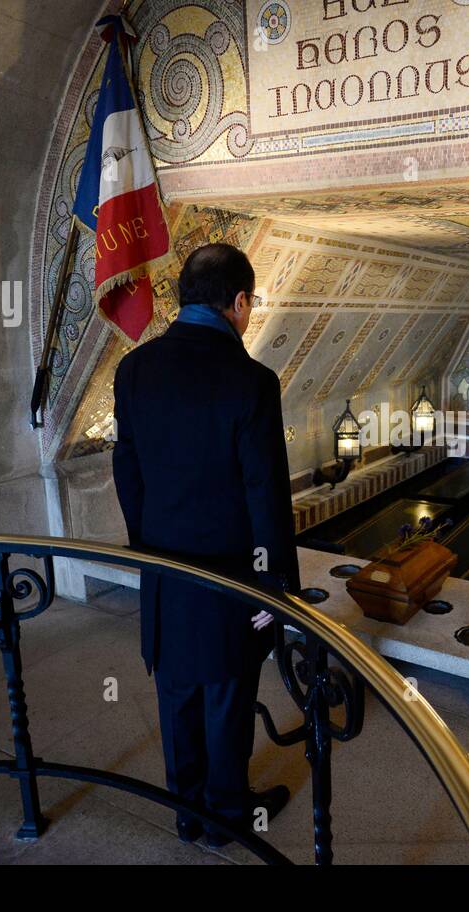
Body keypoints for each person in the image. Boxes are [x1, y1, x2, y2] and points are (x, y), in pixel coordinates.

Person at [111, 242, 299, 847]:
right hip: (230, 579)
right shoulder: (252, 382)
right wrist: (276, 587)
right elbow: (264, 493)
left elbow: (128, 469)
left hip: (165, 572)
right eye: (250, 305)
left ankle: (187, 812)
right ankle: (225, 817)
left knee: (176, 691)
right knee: (226, 695)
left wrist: (148, 548)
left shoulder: (134, 370)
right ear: (239, 302)